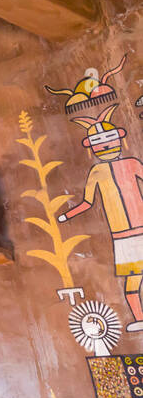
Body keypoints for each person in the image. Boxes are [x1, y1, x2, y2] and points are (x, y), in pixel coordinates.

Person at [59, 104, 143, 331]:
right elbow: (88, 202)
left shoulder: (132, 163)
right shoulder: (97, 172)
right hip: (122, 236)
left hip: (140, 229)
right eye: (99, 142)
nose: (105, 145)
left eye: (109, 138)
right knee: (132, 279)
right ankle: (139, 318)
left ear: (119, 138)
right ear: (91, 147)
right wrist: (67, 215)